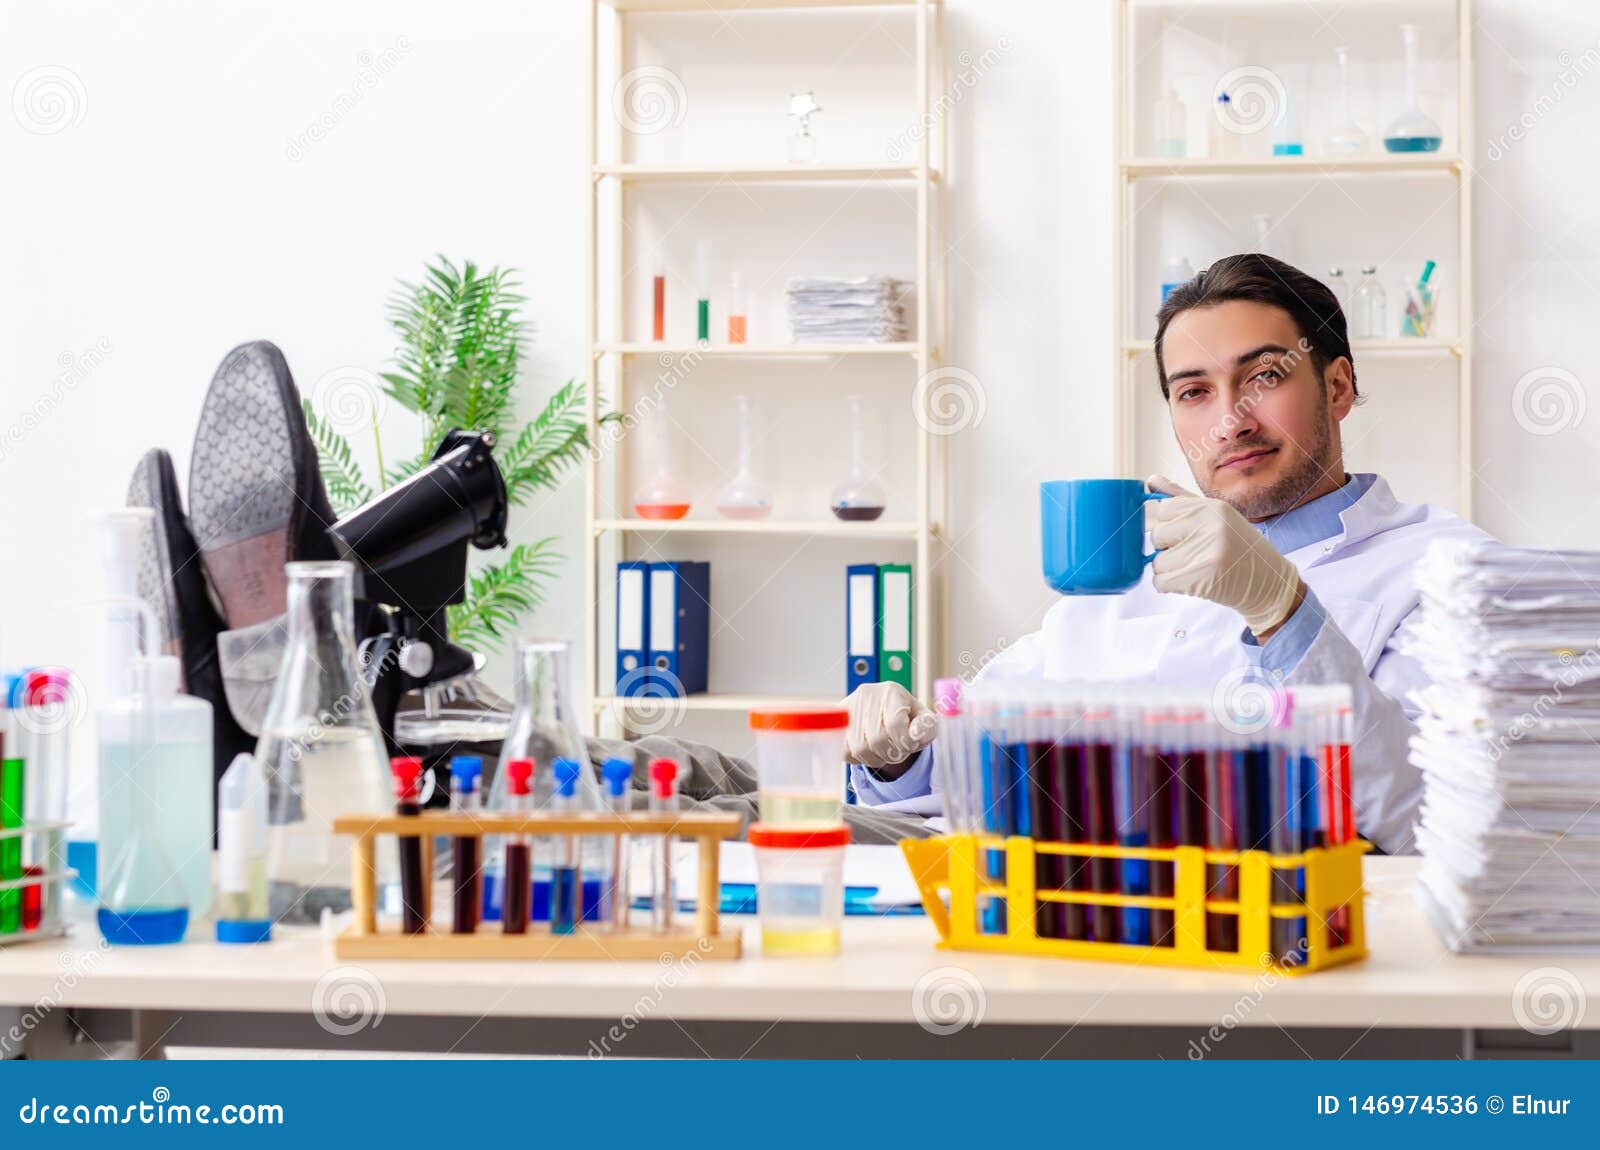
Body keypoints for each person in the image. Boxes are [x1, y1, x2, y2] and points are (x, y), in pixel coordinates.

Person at [844, 253, 1491, 854]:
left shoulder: (1448, 570)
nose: (1230, 421)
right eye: (1194, 392)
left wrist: (1283, 610)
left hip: (1245, 925)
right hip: (1026, 889)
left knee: (762, 825)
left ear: (1339, 387)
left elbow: (1427, 814)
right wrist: (898, 754)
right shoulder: (1126, 571)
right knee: (757, 800)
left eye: (1265, 376)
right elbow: (976, 756)